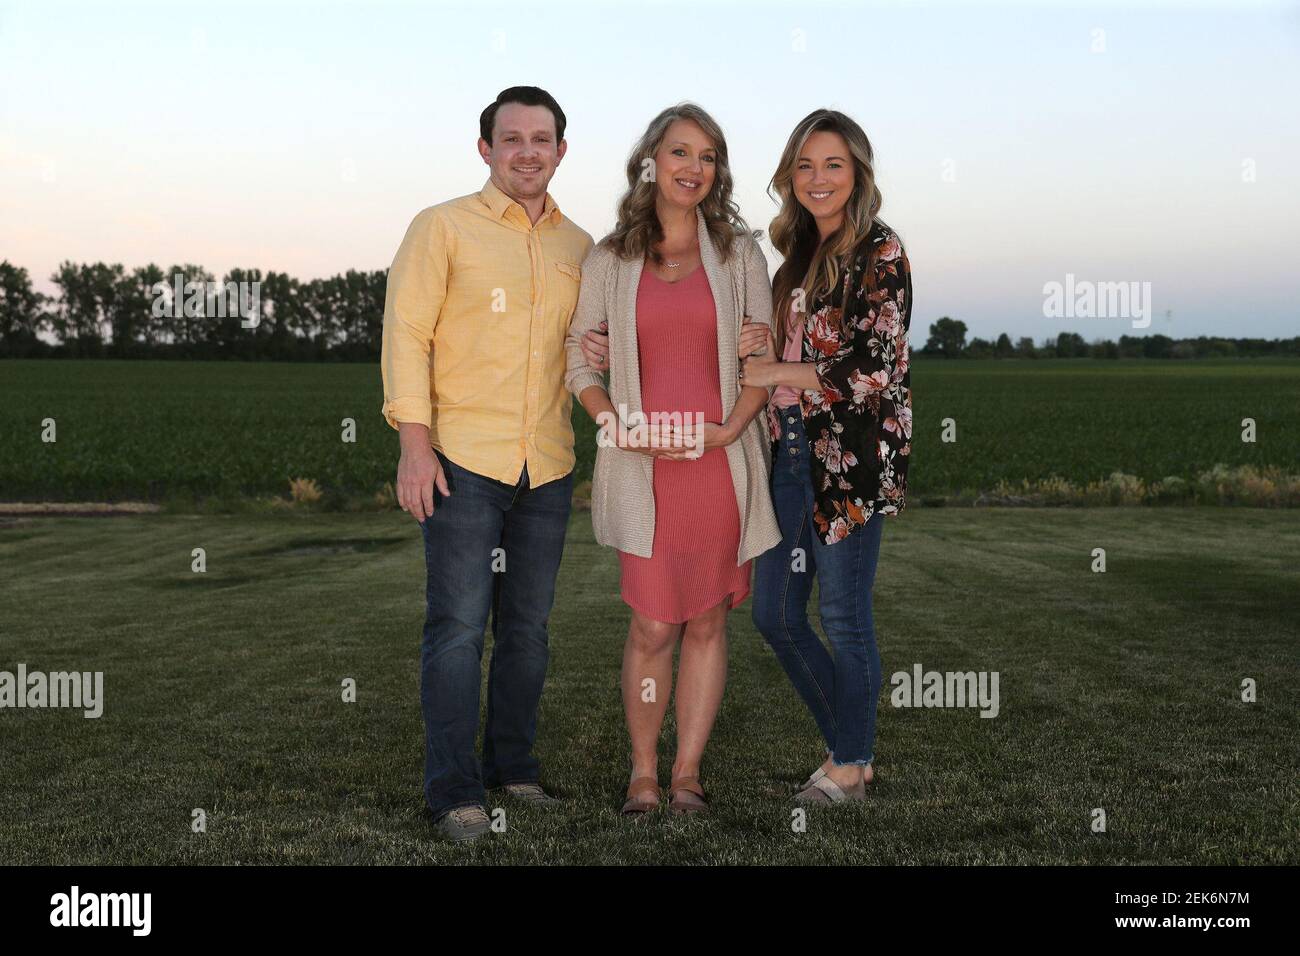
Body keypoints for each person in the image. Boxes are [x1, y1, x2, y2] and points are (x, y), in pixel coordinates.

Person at [379, 86, 593, 841]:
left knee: (529, 631)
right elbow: (407, 334)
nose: (527, 151)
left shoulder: (581, 247)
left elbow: (585, 348)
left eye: (542, 139)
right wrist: (413, 442)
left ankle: (516, 770)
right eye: (512, 139)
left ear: (562, 150)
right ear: (486, 150)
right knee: (459, 627)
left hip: (549, 466)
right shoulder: (441, 227)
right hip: (461, 461)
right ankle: (455, 792)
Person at [564, 103, 780, 816]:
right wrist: (612, 423)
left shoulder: (742, 252)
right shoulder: (611, 257)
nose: (694, 167)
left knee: (710, 620)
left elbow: (764, 360)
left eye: (708, 155)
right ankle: (643, 773)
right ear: (652, 162)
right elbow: (578, 356)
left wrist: (730, 430)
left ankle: (687, 773)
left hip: (721, 464)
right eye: (681, 151)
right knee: (654, 623)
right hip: (643, 469)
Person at [739, 109, 913, 804]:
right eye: (805, 165)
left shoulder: (881, 250)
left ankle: (848, 766)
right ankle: (852, 752)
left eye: (833, 164)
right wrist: (765, 343)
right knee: (775, 615)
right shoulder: (796, 258)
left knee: (843, 617)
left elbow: (875, 368)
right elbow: (790, 356)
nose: (818, 178)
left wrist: (775, 373)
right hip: (789, 455)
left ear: (858, 173)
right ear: (789, 176)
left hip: (850, 462)